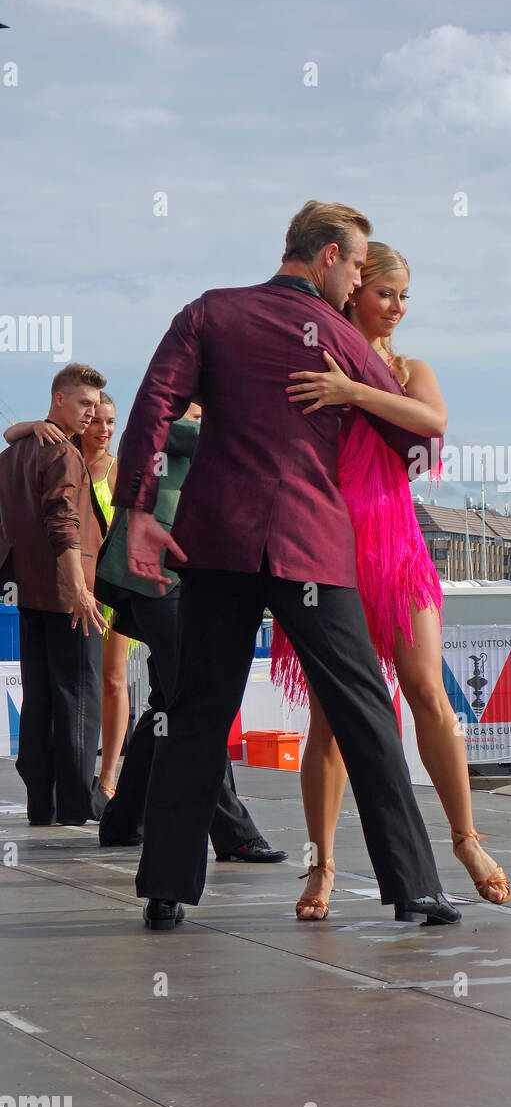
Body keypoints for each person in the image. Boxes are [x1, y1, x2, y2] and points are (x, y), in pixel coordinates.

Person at [115, 199, 459, 931]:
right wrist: (359, 401)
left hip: (216, 542)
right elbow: (413, 438)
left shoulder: (210, 313)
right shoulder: (341, 336)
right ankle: (416, 888)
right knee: (365, 709)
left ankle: (167, 890)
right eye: (359, 267)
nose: (359, 282)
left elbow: (153, 408)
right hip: (311, 545)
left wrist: (137, 514)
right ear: (329, 256)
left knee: (197, 711)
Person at [272, 241, 510, 918]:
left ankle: (465, 840)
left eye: (406, 295)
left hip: (398, 545)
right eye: (386, 293)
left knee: (427, 691)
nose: (399, 307)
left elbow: (433, 421)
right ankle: (320, 867)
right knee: (330, 716)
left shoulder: (407, 368)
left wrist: (353, 391)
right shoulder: (318, 358)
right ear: (353, 291)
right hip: (329, 549)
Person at [95, 405, 285, 863]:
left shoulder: (173, 430)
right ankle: (233, 832)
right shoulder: (172, 424)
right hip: (160, 579)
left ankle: (122, 822)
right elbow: (228, 443)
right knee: (196, 701)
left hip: (163, 580)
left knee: (167, 702)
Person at [6, 394, 134, 799]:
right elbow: (11, 435)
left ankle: (109, 776)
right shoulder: (65, 457)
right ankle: (76, 784)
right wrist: (31, 425)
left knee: (112, 682)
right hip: (75, 592)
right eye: (97, 420)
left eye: (111, 422)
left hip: (111, 591)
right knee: (76, 687)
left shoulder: (118, 471)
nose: (104, 429)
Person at [0, 364, 108, 824]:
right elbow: (63, 525)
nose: (92, 413)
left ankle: (42, 803)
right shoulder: (62, 453)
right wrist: (82, 591)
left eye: (96, 405)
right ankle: (77, 804)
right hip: (67, 594)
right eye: (85, 403)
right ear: (59, 399)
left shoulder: (14, 452)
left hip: (28, 591)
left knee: (41, 698)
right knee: (78, 699)